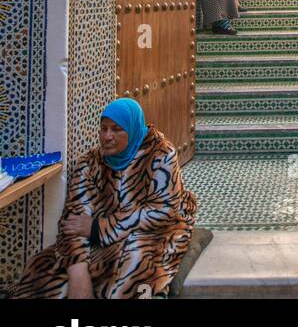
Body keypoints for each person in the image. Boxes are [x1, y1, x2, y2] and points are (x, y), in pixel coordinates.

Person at [13, 98, 197, 300]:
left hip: (155, 231)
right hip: (103, 240)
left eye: (117, 129)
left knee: (135, 259)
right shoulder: (89, 164)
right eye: (103, 129)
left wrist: (98, 228)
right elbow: (74, 222)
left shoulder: (160, 153)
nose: (107, 136)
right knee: (44, 271)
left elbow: (163, 211)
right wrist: (78, 270)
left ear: (132, 129)